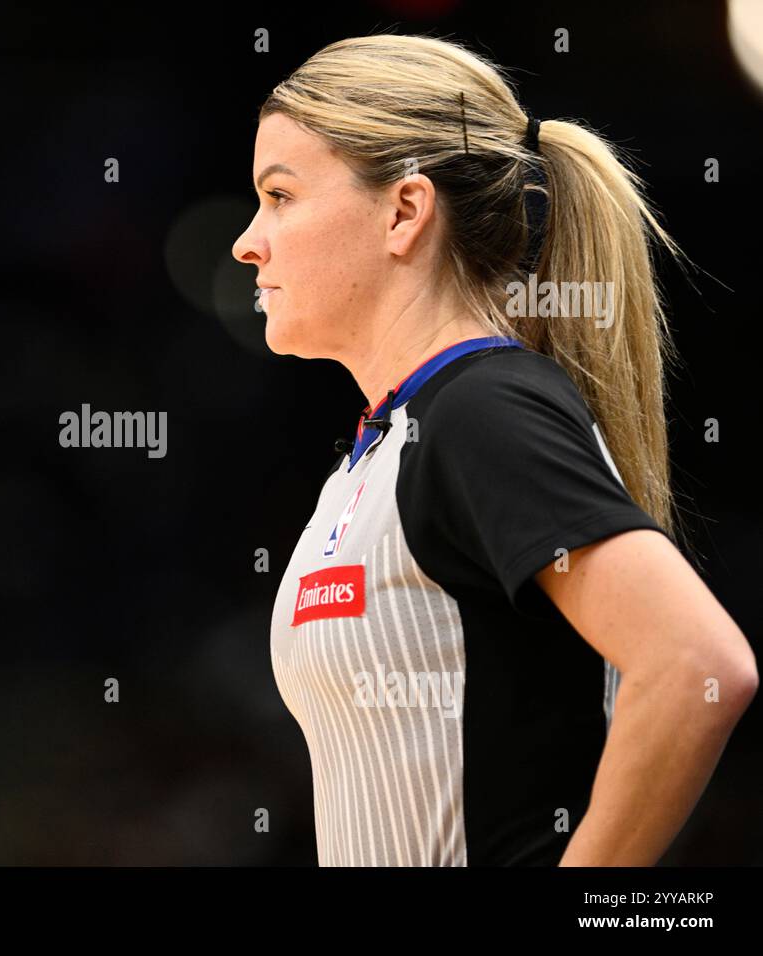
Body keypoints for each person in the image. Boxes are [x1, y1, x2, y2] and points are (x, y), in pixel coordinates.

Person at [231, 34, 757, 866]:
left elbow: (697, 664)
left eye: (280, 195)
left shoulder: (482, 410)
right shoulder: (387, 443)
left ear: (404, 211)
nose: (247, 242)